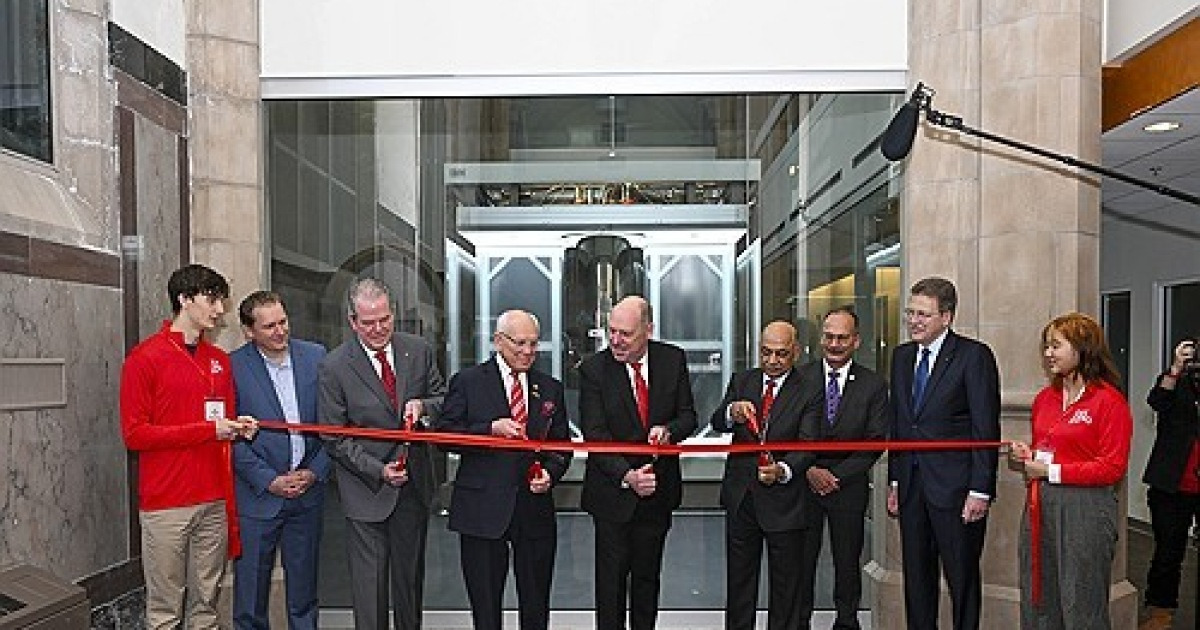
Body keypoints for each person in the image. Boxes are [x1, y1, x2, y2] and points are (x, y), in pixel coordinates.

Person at [119, 263, 257, 630]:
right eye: (211, 300)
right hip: (166, 504)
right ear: (184, 299)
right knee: (165, 610)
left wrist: (238, 426)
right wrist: (207, 430)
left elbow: (221, 425)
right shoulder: (144, 358)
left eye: (220, 301)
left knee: (205, 608)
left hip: (213, 498)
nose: (218, 310)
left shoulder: (219, 361)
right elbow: (135, 435)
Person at [318, 277, 447, 630]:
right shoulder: (334, 367)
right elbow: (333, 436)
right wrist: (378, 470)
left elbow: (443, 399)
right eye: (368, 323)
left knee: (409, 584)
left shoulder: (417, 349)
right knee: (369, 591)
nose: (378, 329)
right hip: (367, 490)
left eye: (385, 320)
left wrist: (423, 407)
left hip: (413, 488)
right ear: (352, 322)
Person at [436, 310, 573, 630]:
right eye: (519, 343)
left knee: (536, 606)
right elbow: (444, 436)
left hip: (534, 511)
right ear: (498, 341)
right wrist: (489, 430)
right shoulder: (468, 382)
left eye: (533, 344)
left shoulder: (549, 387)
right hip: (482, 511)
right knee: (485, 609)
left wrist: (551, 473)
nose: (527, 351)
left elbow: (560, 445)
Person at [886, 276, 1000, 630]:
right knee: (917, 578)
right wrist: (894, 480)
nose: (914, 321)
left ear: (946, 317)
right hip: (911, 485)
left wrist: (980, 490)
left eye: (923, 314)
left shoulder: (974, 356)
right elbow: (900, 423)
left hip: (957, 491)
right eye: (910, 313)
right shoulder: (902, 357)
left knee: (962, 577)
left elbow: (985, 428)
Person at [579, 295, 698, 630]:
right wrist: (628, 475)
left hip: (658, 494)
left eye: (625, 334)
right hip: (612, 494)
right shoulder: (593, 370)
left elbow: (689, 416)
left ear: (648, 329)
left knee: (647, 581)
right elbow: (595, 435)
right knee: (610, 586)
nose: (615, 340)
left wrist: (669, 431)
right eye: (611, 331)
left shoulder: (673, 360)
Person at [1009, 312, 1132, 629]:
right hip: (1041, 504)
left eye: (1055, 346)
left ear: (1083, 348)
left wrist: (1050, 472)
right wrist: (1029, 455)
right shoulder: (1044, 399)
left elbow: (1112, 467)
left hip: (1087, 510)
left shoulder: (1109, 402)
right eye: (1046, 346)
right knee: (1040, 595)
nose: (1048, 354)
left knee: (1082, 599)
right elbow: (1050, 451)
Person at [230, 291, 329, 630]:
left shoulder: (316, 357)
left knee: (304, 593)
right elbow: (229, 436)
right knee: (250, 596)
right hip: (259, 497)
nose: (280, 331)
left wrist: (314, 472)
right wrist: (268, 479)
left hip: (307, 494)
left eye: (283, 322)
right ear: (249, 331)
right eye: (269, 326)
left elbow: (333, 425)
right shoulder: (232, 367)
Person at [711, 320, 813, 630]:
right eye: (766, 352)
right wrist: (731, 412)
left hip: (785, 501)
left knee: (786, 587)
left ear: (795, 351)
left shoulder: (809, 390)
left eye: (781, 354)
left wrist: (782, 470)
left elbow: (810, 444)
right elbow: (717, 421)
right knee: (740, 582)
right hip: (742, 498)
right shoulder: (743, 381)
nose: (772, 361)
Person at [795, 307, 890, 630]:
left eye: (842, 338)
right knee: (800, 561)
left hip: (847, 487)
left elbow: (876, 440)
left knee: (847, 562)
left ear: (856, 341)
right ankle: (798, 621)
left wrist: (836, 476)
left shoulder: (873, 385)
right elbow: (787, 432)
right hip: (803, 484)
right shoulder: (800, 378)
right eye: (828, 336)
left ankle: (847, 622)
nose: (834, 344)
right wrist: (809, 470)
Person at [1137, 338, 1200, 630]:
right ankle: (1160, 609)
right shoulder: (1178, 382)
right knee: (1168, 552)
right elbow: (1157, 401)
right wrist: (1175, 368)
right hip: (1171, 485)